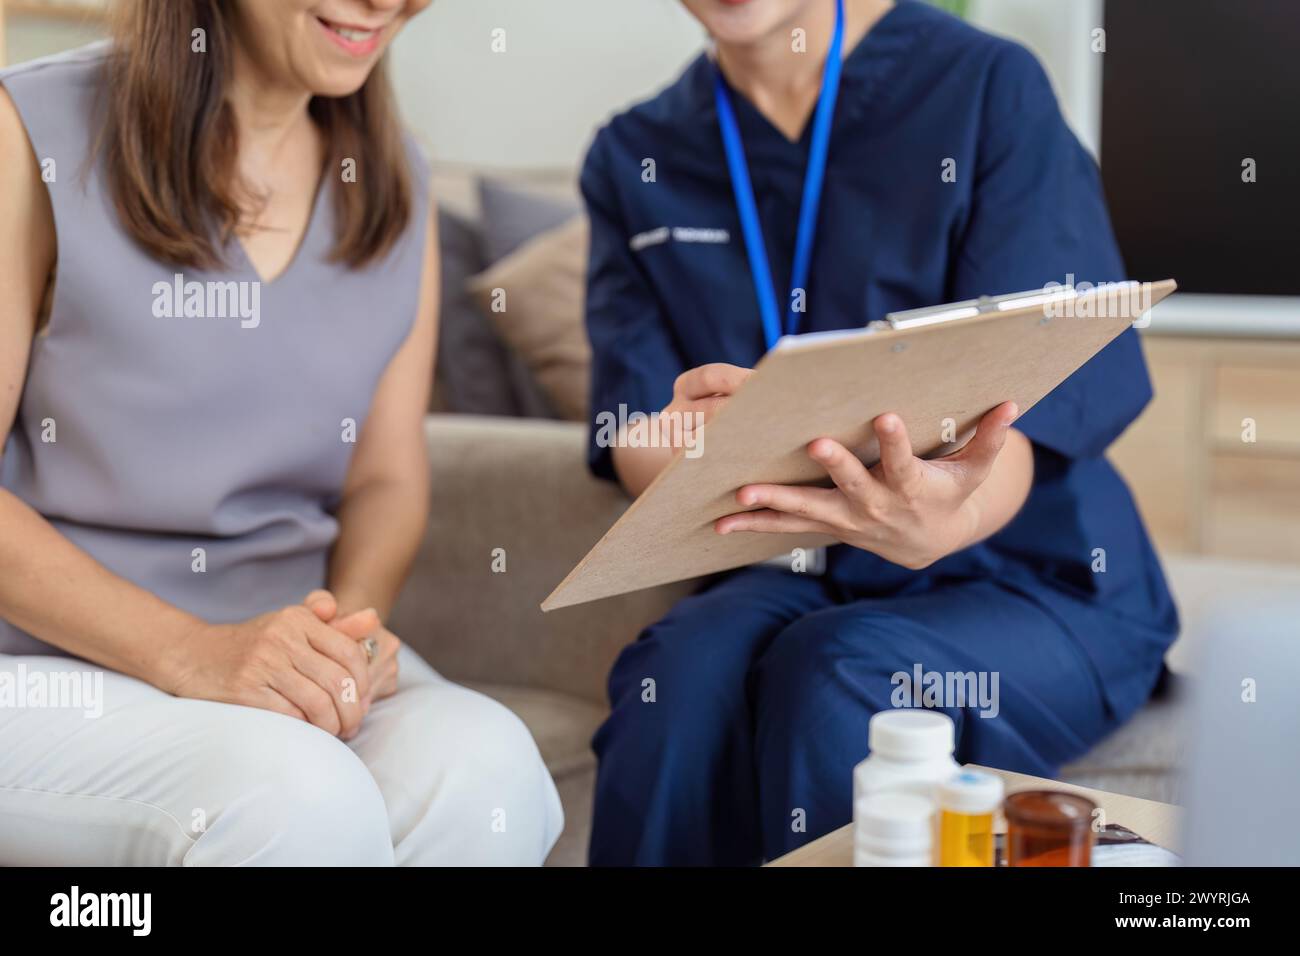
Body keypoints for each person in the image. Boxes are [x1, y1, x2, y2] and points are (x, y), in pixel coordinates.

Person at [581, 0, 1178, 865]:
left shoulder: (981, 88)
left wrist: (950, 517)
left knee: (842, 676)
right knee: (669, 681)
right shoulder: (633, 153)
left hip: (1029, 569)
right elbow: (631, 426)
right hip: (799, 563)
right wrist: (698, 443)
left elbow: (1033, 403)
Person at [0, 0, 562, 865]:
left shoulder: (393, 180)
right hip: (46, 663)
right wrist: (193, 654)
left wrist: (348, 639)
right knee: (297, 798)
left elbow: (385, 477)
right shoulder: (29, 132)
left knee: (491, 771)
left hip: (274, 658)